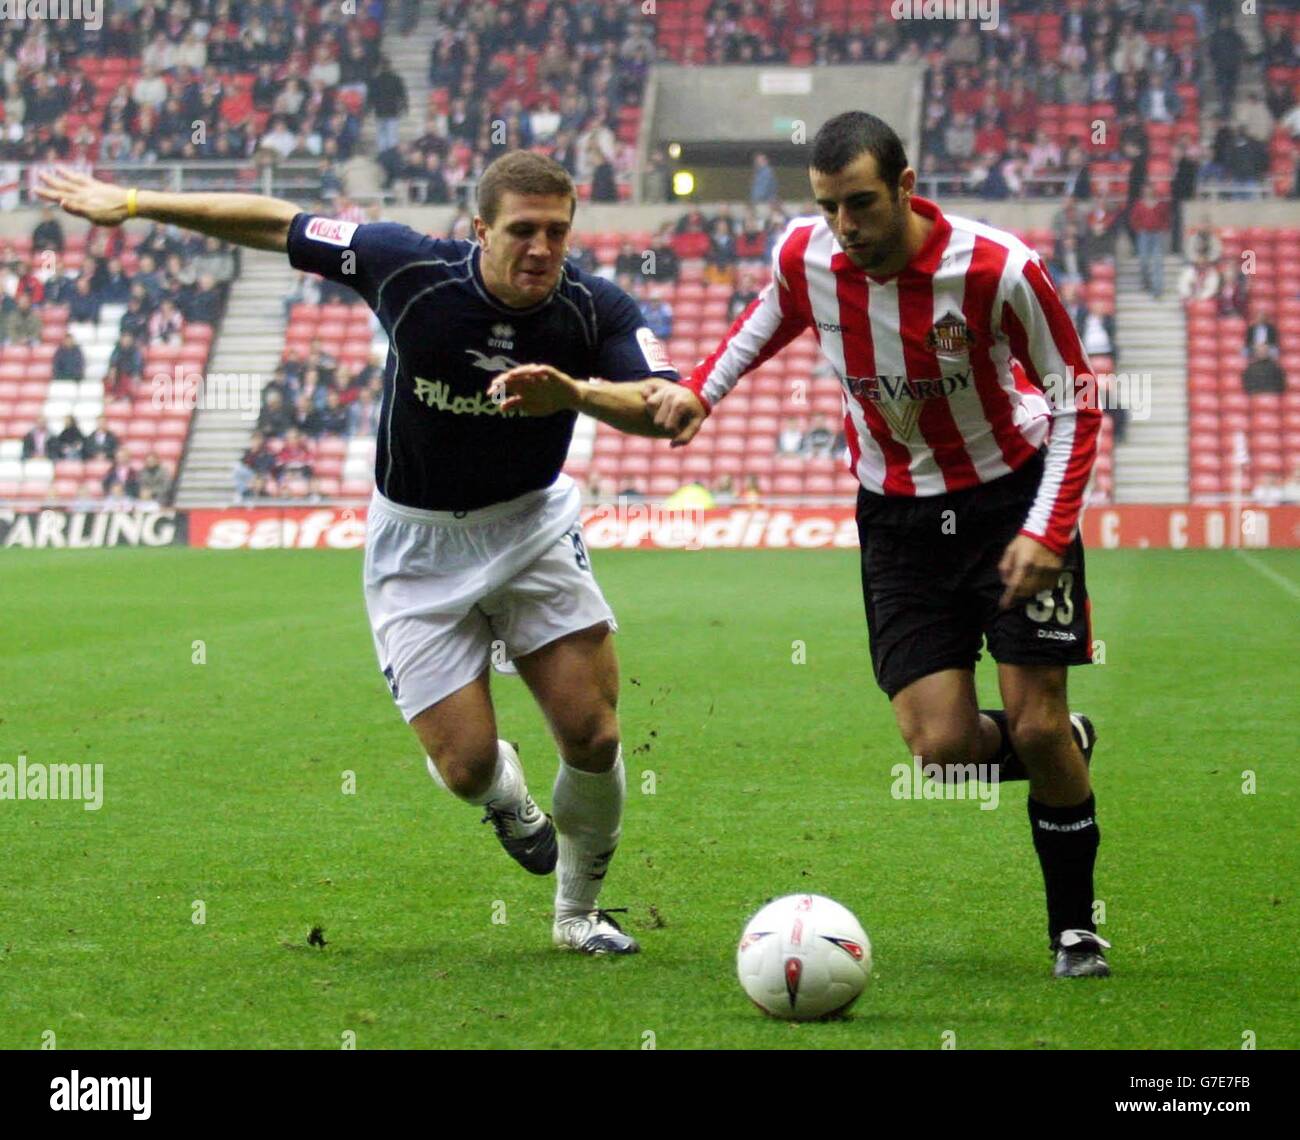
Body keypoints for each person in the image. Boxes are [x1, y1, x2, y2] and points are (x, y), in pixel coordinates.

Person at [38, 151, 681, 957]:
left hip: (531, 529)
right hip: (417, 545)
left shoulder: (596, 308)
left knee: (592, 735)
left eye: (557, 231)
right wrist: (133, 199)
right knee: (464, 767)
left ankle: (579, 915)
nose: (542, 249)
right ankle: (508, 798)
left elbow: (669, 407)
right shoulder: (404, 265)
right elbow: (276, 221)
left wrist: (578, 394)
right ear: (480, 230)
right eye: (522, 230)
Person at [642, 112, 1108, 979]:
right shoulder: (807, 256)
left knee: (1037, 721)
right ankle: (1058, 746)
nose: (845, 227)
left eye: (861, 203)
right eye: (828, 208)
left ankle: (1075, 931)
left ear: (904, 185)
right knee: (938, 749)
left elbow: (1078, 398)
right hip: (896, 521)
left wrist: (1048, 528)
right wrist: (703, 392)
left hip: (1012, 505)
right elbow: (767, 318)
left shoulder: (1000, 268)